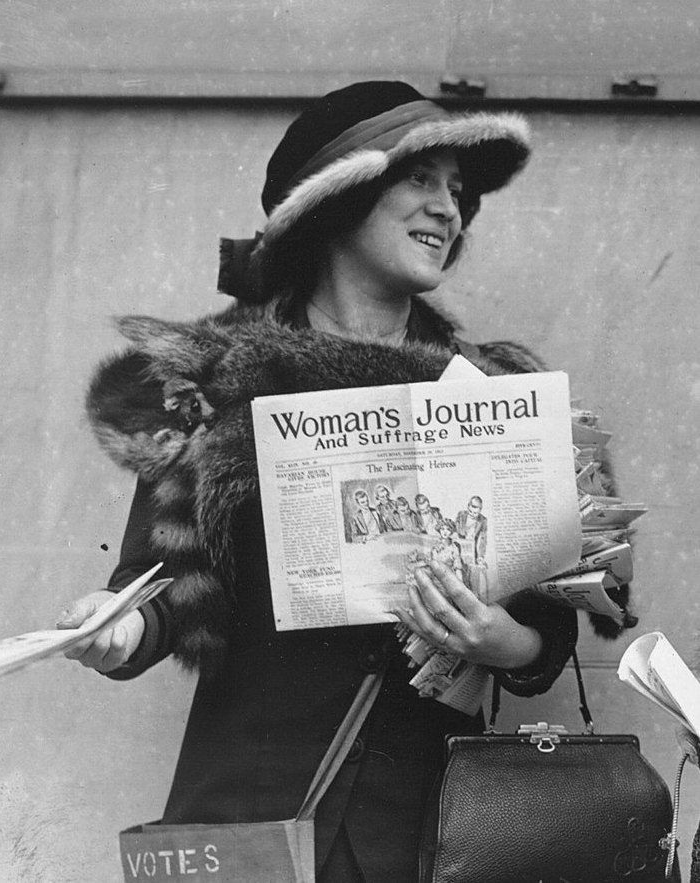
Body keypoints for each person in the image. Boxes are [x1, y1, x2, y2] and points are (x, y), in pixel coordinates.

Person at [57, 81, 608, 882]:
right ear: (341, 195)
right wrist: (112, 634)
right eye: (420, 179)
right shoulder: (220, 382)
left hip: (430, 831)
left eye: (457, 191)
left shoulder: (489, 394)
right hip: (252, 817)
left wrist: (503, 641)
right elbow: (164, 589)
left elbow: (544, 636)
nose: (447, 209)